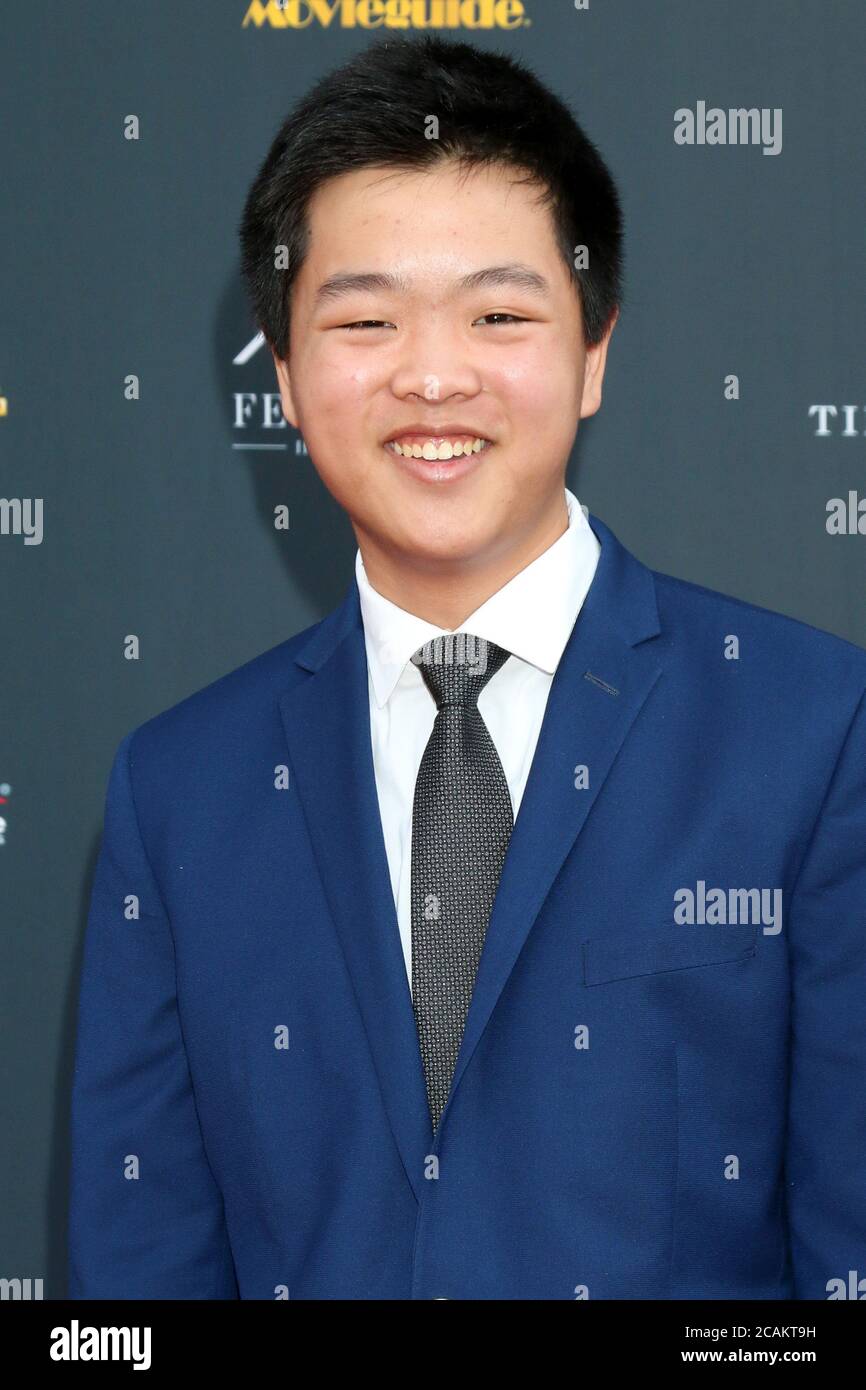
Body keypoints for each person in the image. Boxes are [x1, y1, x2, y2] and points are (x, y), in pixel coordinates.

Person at [68, 34, 866, 1300]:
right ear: (280, 373)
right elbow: (139, 1283)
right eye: (367, 320)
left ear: (593, 350)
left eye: (499, 314)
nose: (433, 376)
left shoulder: (811, 732)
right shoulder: (181, 791)